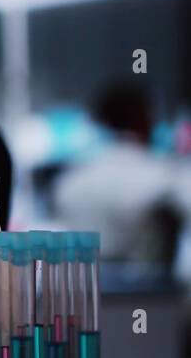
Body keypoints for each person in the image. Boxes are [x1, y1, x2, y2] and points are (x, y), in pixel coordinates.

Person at [54, 83, 191, 267]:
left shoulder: (69, 180)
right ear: (145, 119)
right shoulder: (165, 177)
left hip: (83, 288)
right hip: (152, 291)